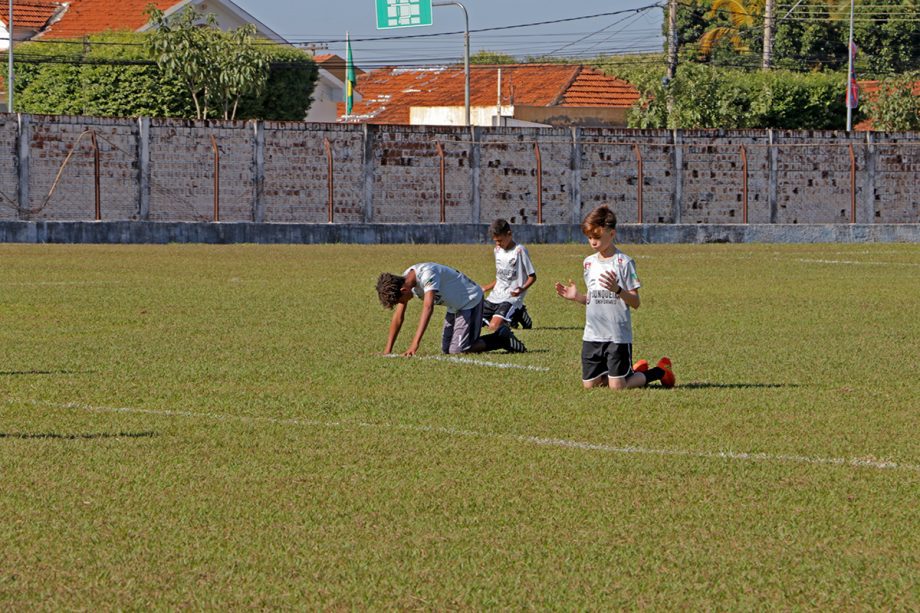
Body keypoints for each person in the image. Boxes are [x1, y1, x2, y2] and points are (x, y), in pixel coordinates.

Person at [554, 205, 675, 390]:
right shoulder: (588, 263)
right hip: (593, 334)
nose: (593, 242)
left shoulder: (624, 263)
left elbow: (635, 302)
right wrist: (577, 297)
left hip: (616, 336)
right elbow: (594, 299)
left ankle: (659, 371)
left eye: (597, 237)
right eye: (589, 238)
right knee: (589, 385)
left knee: (617, 387)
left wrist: (618, 289)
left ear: (611, 234)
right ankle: (629, 371)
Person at [377, 262, 527, 356]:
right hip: (454, 307)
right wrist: (387, 350)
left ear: (403, 290)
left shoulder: (427, 274)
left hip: (470, 301)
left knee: (459, 350)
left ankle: (501, 338)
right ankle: (497, 338)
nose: (401, 303)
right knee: (447, 350)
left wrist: (414, 344)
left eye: (399, 301)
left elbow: (428, 307)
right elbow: (398, 317)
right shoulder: (405, 280)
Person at [481, 219, 537, 332]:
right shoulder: (497, 250)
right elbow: (501, 278)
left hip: (511, 298)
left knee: (493, 327)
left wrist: (521, 289)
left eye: (500, 240)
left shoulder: (519, 251)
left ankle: (517, 311)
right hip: (495, 296)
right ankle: (514, 315)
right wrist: (485, 288)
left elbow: (532, 276)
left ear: (509, 234)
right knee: (473, 321)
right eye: (495, 241)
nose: (497, 243)